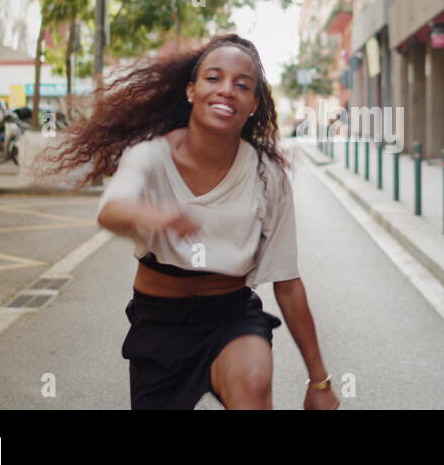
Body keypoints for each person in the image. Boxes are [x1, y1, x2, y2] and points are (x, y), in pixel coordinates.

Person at [40, 34, 339, 411]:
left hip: (231, 316)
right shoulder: (150, 155)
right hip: (160, 321)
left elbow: (288, 283)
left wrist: (320, 380)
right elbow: (110, 210)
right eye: (214, 78)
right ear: (190, 91)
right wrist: (151, 214)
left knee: (252, 381)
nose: (227, 90)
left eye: (242, 85)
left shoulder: (268, 174)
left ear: (254, 105)